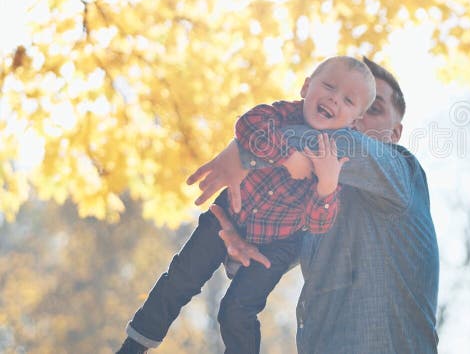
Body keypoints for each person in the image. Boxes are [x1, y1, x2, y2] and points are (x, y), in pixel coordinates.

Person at [117, 56, 377, 353]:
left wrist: (327, 185)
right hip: (228, 213)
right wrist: (289, 156)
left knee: (237, 311)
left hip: (277, 243)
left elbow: (318, 225)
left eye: (348, 100)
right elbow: (248, 125)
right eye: (329, 86)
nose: (334, 98)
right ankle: (134, 345)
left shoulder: (340, 154)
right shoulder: (282, 114)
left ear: (355, 121)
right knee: (181, 278)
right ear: (307, 86)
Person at [184, 57, 439, 353]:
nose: (354, 120)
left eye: (372, 109)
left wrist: (244, 148)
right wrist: (244, 242)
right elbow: (273, 252)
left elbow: (342, 144)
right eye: (350, 104)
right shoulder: (313, 198)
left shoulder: (402, 170)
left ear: (394, 134)